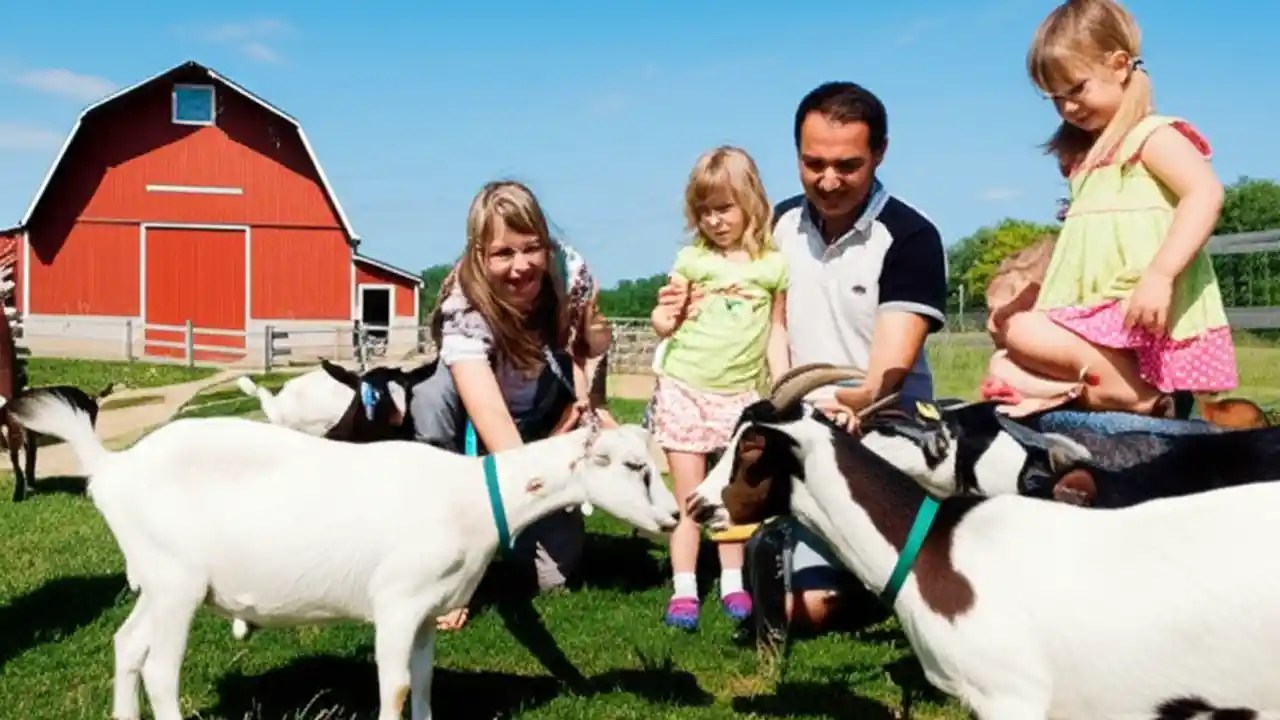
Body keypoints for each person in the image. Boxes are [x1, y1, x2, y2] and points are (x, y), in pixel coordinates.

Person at [655, 81, 949, 636]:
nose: (828, 180)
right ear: (796, 155)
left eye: (847, 165)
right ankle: (821, 561)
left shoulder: (910, 236)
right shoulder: (776, 229)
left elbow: (889, 369)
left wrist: (853, 404)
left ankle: (880, 578)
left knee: (804, 610)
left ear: (880, 154)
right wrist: (676, 308)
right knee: (789, 602)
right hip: (799, 434)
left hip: (880, 437)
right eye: (813, 163)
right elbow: (724, 291)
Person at [986, 0, 1238, 418]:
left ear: (1119, 65)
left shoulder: (1151, 136)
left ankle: (1136, 395)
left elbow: (1205, 194)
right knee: (1002, 362)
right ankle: (1089, 393)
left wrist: (1160, 275)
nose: (1068, 107)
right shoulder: (1087, 160)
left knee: (1022, 329)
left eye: (1077, 89)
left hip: (1135, 308)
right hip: (1096, 316)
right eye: (1056, 98)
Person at [410, 179, 615, 630]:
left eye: (532, 248)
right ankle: (439, 541)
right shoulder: (461, 306)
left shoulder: (571, 273)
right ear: (480, 255)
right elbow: (498, 432)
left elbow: (588, 347)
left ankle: (506, 541)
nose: (521, 267)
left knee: (550, 579)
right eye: (503, 253)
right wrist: (463, 580)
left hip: (544, 404)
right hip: (475, 417)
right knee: (430, 397)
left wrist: (587, 408)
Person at [648, 146, 790, 631]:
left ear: (750, 202)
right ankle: (684, 588)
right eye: (704, 210)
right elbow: (666, 317)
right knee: (690, 498)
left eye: (724, 208)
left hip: (740, 396)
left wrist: (782, 385)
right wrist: (662, 318)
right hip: (685, 388)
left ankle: (733, 584)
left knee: (731, 498)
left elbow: (776, 329)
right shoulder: (691, 261)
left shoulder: (772, 266)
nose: (715, 220)